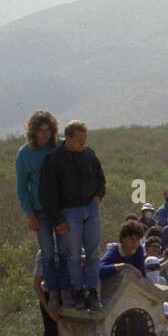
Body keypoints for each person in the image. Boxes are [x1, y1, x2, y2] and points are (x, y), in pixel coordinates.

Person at [39, 119, 107, 310]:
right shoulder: (54, 160)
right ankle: (77, 292)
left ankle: (92, 292)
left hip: (90, 208)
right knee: (73, 255)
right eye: (79, 139)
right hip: (69, 212)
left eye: (84, 139)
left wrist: (97, 196)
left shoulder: (89, 154)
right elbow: (48, 193)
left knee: (93, 253)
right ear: (68, 137)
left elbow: (100, 177)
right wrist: (58, 220)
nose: (82, 143)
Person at [15, 110, 72, 307]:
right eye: (40, 130)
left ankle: (66, 290)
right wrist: (29, 214)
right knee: (47, 253)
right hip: (40, 211)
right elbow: (22, 187)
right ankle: (53, 291)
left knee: (64, 250)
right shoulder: (24, 154)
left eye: (48, 129)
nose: (44, 134)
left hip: (61, 208)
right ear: (33, 131)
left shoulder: (59, 146)